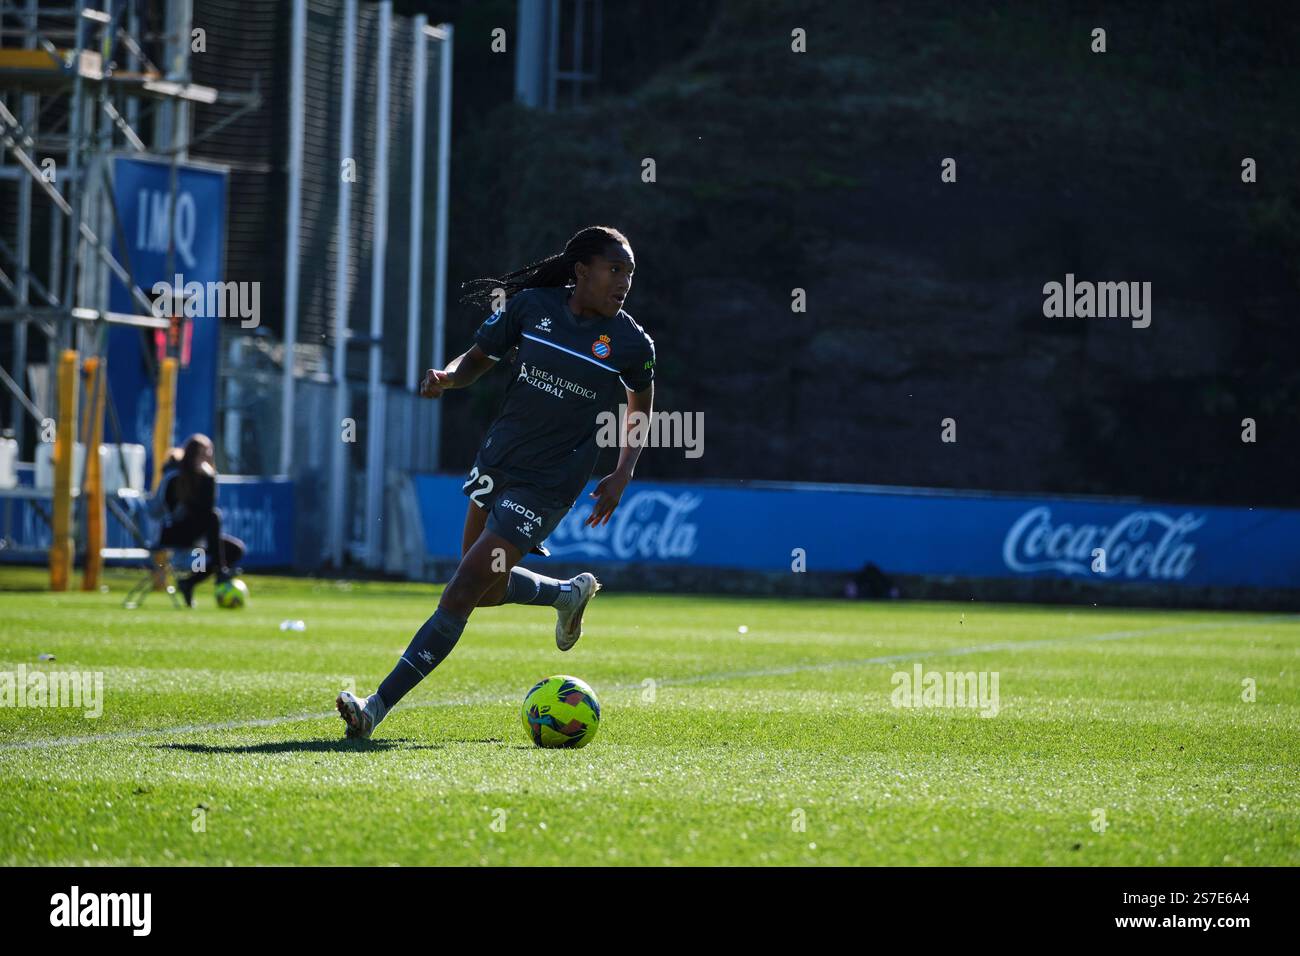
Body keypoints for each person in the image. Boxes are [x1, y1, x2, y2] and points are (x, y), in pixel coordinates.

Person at [336, 225, 655, 739]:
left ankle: (375, 707)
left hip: (549, 484)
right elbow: (475, 361)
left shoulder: (630, 342)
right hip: (497, 462)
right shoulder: (530, 308)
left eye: (630, 274)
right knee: (486, 591)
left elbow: (640, 404)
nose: (624, 282)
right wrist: (447, 376)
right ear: (581, 271)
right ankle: (565, 595)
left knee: (462, 588)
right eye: (615, 270)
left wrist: (623, 471)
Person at [151, 433, 244, 607]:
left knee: (235, 550)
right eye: (203, 453)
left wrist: (209, 478)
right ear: (192, 455)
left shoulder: (206, 477)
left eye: (209, 453)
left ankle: (189, 583)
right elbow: (164, 511)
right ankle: (220, 572)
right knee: (213, 518)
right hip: (174, 533)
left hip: (198, 538)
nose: (207, 458)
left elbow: (207, 507)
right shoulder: (174, 477)